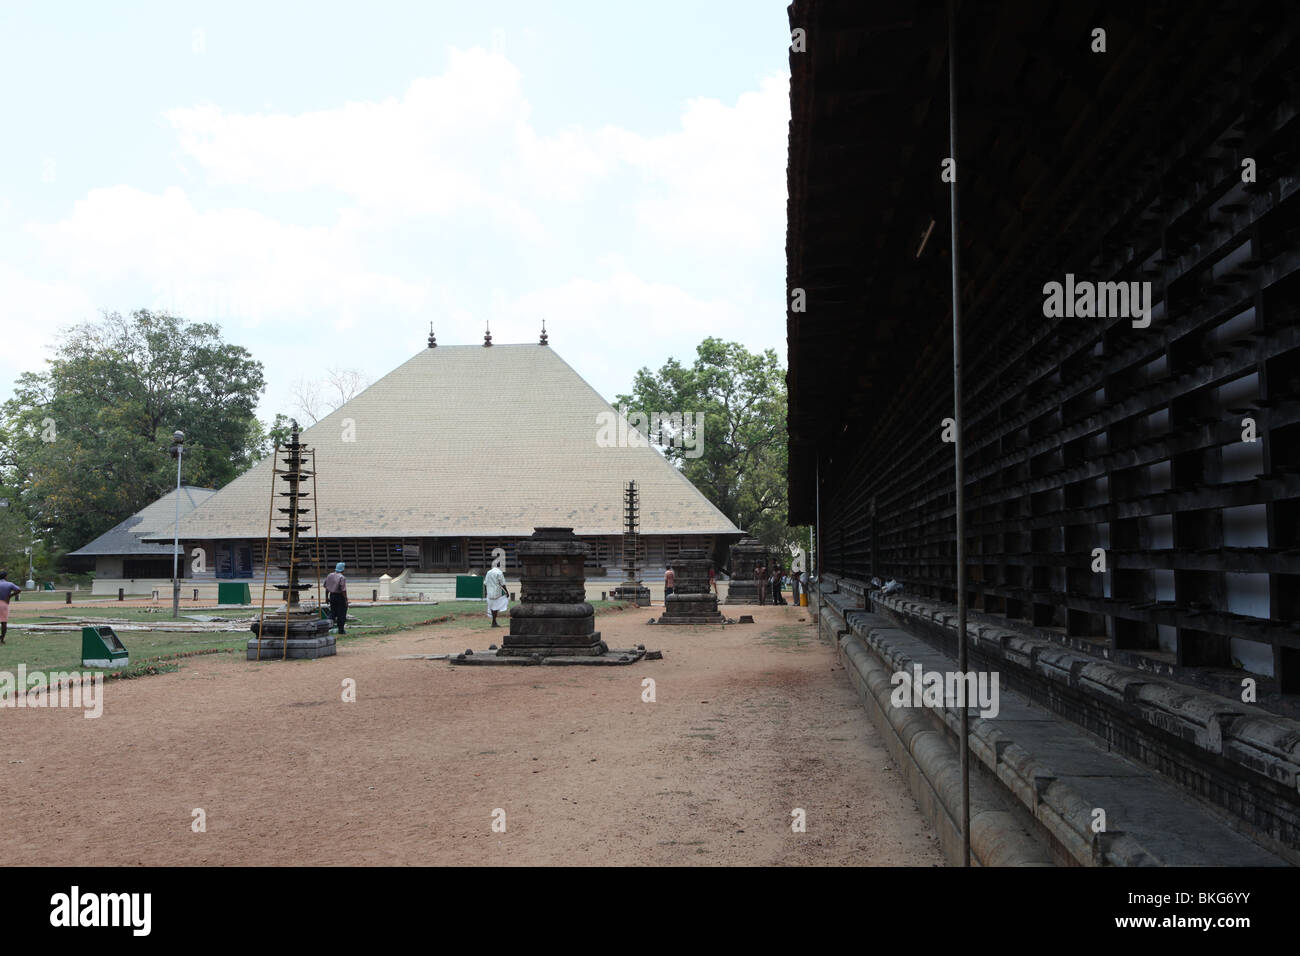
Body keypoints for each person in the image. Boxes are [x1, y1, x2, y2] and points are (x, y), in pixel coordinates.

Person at [323, 562, 348, 634]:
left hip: (332, 596)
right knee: (342, 614)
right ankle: (341, 630)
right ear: (343, 569)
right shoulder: (342, 577)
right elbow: (343, 590)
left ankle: (325, 628)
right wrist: (346, 599)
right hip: (340, 597)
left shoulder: (329, 575)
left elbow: (326, 587)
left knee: (332, 613)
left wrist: (326, 597)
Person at [484, 563, 508, 627]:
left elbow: (485, 583)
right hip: (496, 592)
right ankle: (494, 622)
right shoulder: (499, 572)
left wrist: (485, 592)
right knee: (496, 607)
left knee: (492, 607)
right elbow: (503, 583)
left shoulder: (488, 572)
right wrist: (507, 592)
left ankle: (494, 621)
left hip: (489, 592)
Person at [0, 571, 21, 643]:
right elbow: (18, 590)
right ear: (6, 577)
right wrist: (10, 595)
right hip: (4, 604)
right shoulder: (9, 584)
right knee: (3, 623)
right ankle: (2, 639)